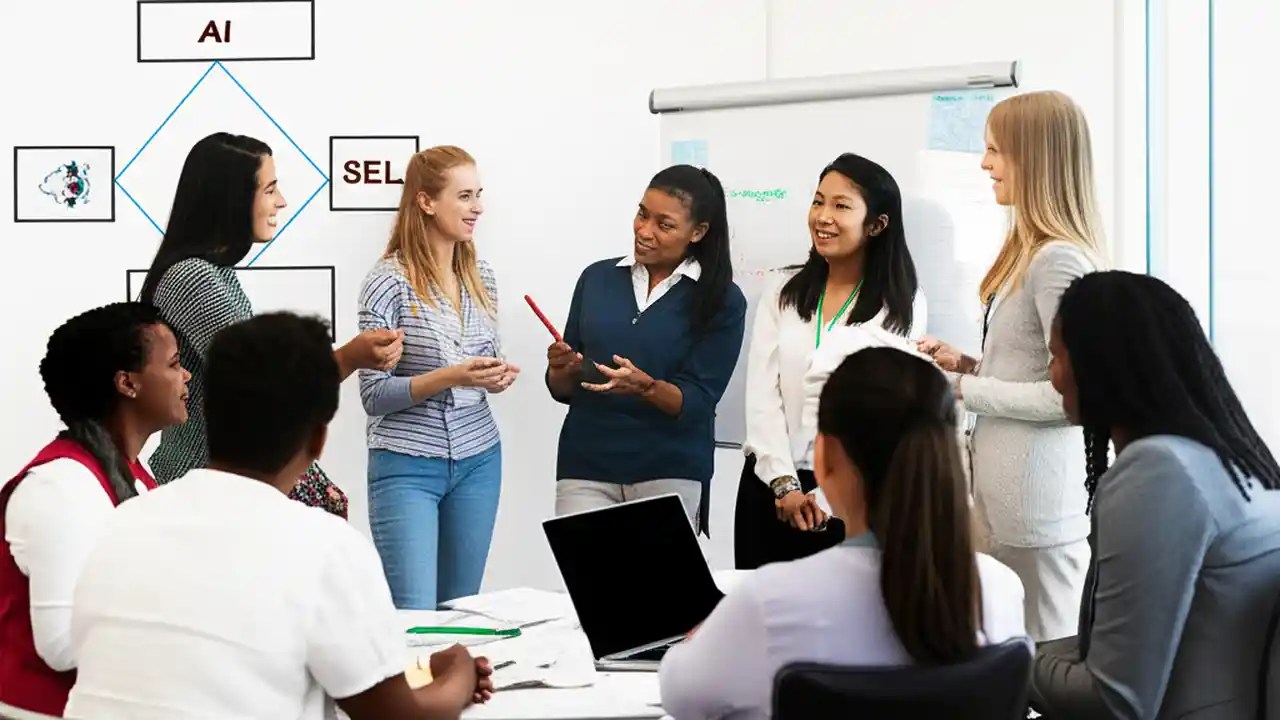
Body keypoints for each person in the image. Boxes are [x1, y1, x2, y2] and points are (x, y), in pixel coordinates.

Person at [64, 312, 494, 720]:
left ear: (209, 414)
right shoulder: (323, 546)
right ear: (319, 438)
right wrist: (458, 666)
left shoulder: (122, 521)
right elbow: (400, 717)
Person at [659, 348, 1026, 720]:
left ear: (825, 455)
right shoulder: (1002, 590)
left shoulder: (770, 603)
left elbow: (680, 695)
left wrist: (713, 633)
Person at [1030, 272, 1280, 719]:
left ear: (1098, 362)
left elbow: (1113, 701)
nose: (1052, 376)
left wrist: (998, 659)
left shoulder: (1159, 472)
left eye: (1056, 356)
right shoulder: (1226, 460)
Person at [917, 90, 1105, 641]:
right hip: (1004, 510)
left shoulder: (1059, 260)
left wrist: (960, 388)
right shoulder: (1033, 254)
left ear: (1035, 157)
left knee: (1045, 678)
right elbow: (1035, 369)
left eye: (996, 150)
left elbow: (1072, 396)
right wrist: (971, 365)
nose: (984, 164)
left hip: (1037, 517)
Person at [139, 132, 404, 517]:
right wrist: (352, 355)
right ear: (232, 198)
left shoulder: (211, 274)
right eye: (269, 189)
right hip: (215, 493)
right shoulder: (191, 278)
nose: (281, 202)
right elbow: (266, 384)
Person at [737, 151, 927, 570]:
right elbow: (761, 395)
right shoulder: (782, 289)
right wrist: (784, 486)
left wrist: (823, 498)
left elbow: (881, 417)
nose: (822, 215)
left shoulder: (899, 306)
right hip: (769, 488)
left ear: (877, 225)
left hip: (849, 497)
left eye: (841, 206)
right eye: (818, 201)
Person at [0, 302, 188, 715]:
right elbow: (63, 645)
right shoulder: (62, 486)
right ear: (127, 383)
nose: (186, 376)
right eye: (174, 364)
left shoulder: (132, 473)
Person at [545, 164, 746, 534]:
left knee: (655, 593)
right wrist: (561, 369)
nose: (644, 231)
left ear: (698, 233)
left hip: (670, 470)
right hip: (586, 466)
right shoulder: (596, 278)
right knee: (588, 589)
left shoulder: (722, 301)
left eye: (664, 225)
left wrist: (646, 387)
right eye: (642, 214)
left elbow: (698, 402)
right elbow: (564, 391)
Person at [358, 146, 517, 610]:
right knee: (414, 616)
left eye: (479, 195)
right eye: (465, 196)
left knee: (463, 611)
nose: (478, 208)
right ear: (426, 202)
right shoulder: (388, 281)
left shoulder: (481, 276)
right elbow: (373, 394)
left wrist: (493, 374)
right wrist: (451, 376)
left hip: (479, 459)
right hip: (406, 464)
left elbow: (482, 359)